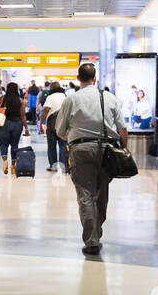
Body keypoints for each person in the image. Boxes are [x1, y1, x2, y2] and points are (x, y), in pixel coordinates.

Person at [55, 62, 129, 254]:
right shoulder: (109, 98)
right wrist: (124, 150)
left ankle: (92, 240)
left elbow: (60, 131)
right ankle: (96, 233)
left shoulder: (71, 100)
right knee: (101, 195)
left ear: (78, 78)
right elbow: (122, 129)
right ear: (95, 79)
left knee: (85, 195)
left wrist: (74, 138)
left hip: (80, 149)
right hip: (107, 150)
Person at [0, 81, 29, 175]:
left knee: (3, 144)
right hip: (17, 124)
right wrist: (26, 128)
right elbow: (23, 115)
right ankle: (13, 165)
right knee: (15, 145)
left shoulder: (2, 98)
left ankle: (5, 161)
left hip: (4, 123)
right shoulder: (20, 100)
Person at [40, 82, 68, 172]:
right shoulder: (65, 96)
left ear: (51, 88)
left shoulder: (50, 97)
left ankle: (53, 166)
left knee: (51, 146)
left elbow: (46, 110)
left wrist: (41, 123)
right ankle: (64, 166)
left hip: (52, 125)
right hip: (63, 125)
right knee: (63, 146)